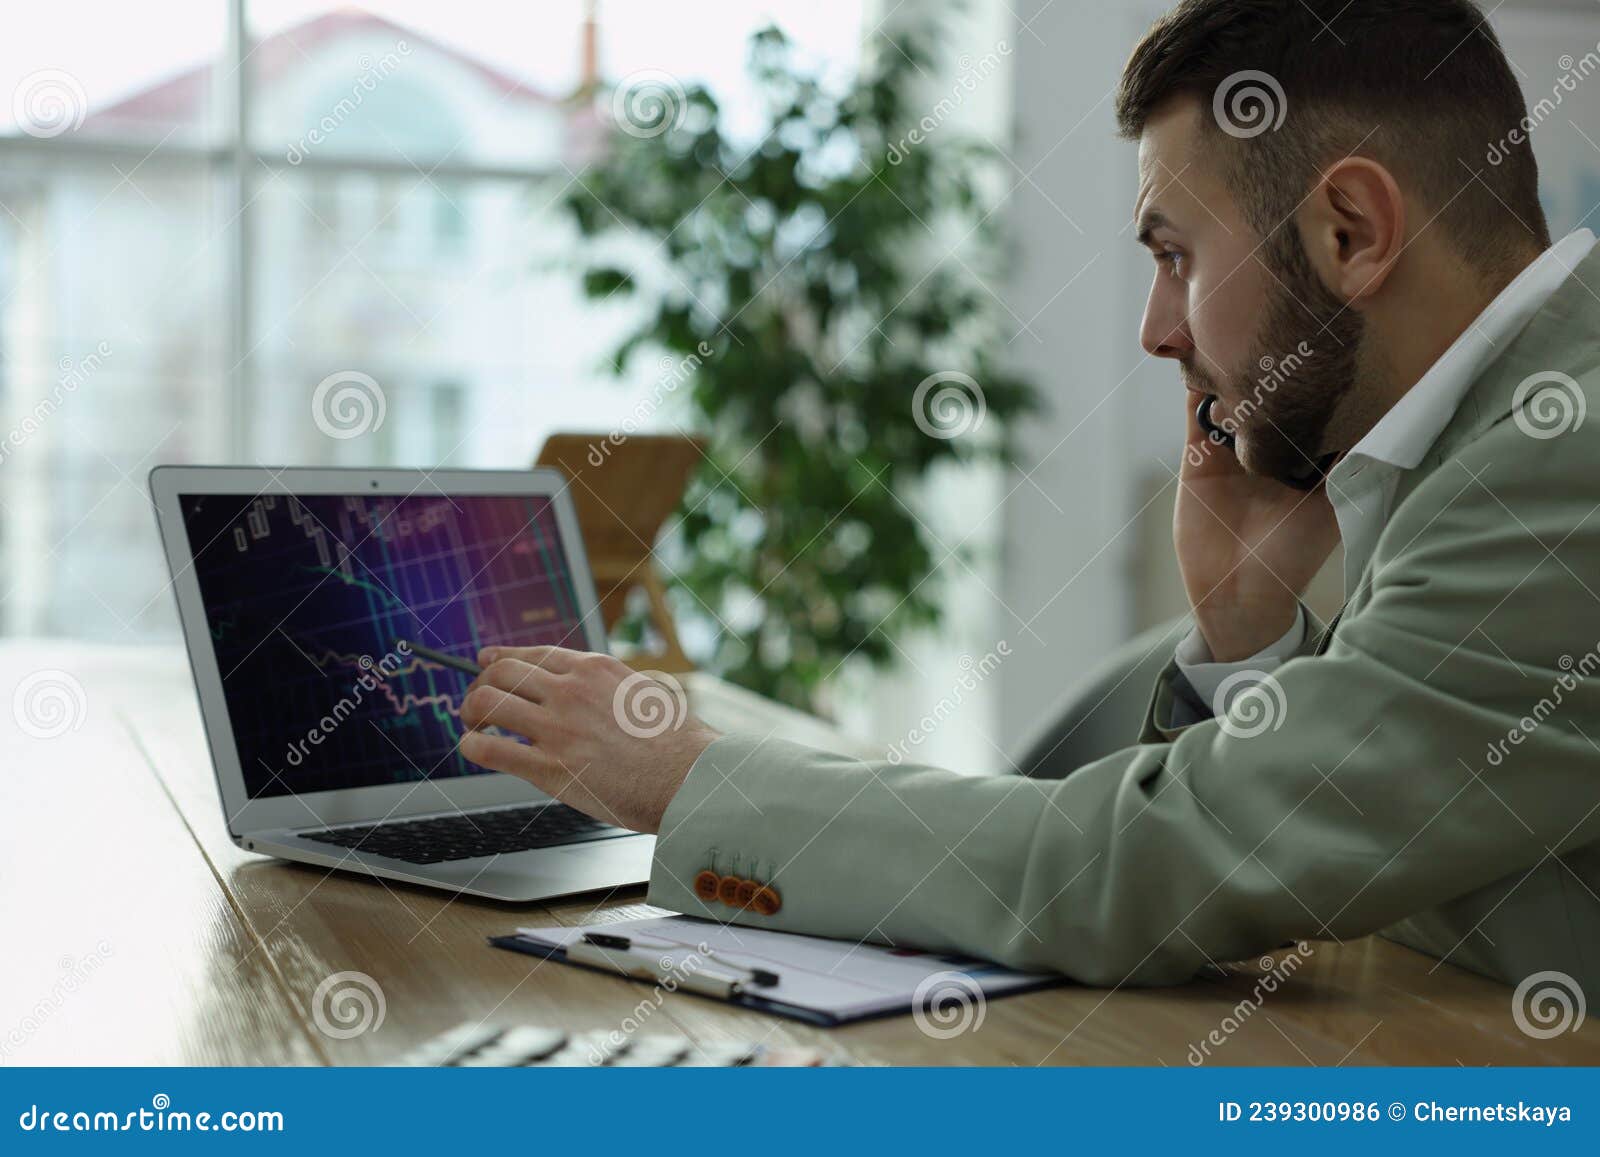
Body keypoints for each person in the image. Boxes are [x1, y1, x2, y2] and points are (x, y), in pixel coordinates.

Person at [457, 0, 1600, 989]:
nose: (1159, 331)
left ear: (1349, 231)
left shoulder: (1558, 462)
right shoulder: (1502, 422)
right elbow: (1377, 845)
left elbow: (1157, 859)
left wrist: (687, 778)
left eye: (1176, 257)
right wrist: (1250, 638)